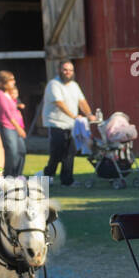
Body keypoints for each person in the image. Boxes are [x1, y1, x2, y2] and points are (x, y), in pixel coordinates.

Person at [41, 59, 92, 187]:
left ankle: (67, 180)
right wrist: (74, 116)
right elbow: (60, 104)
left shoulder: (74, 85)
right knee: (57, 152)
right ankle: (48, 177)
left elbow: (82, 102)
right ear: (59, 70)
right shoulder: (54, 84)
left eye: (70, 70)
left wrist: (89, 114)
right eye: (65, 69)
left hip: (71, 125)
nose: (68, 72)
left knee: (70, 152)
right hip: (56, 124)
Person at [0, 70, 28, 176]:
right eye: (11, 80)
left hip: (15, 127)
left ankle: (18, 175)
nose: (14, 82)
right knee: (11, 153)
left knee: (21, 151)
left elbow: (13, 108)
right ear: (3, 82)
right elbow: (7, 113)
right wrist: (19, 128)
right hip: (6, 126)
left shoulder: (9, 94)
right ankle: (8, 175)